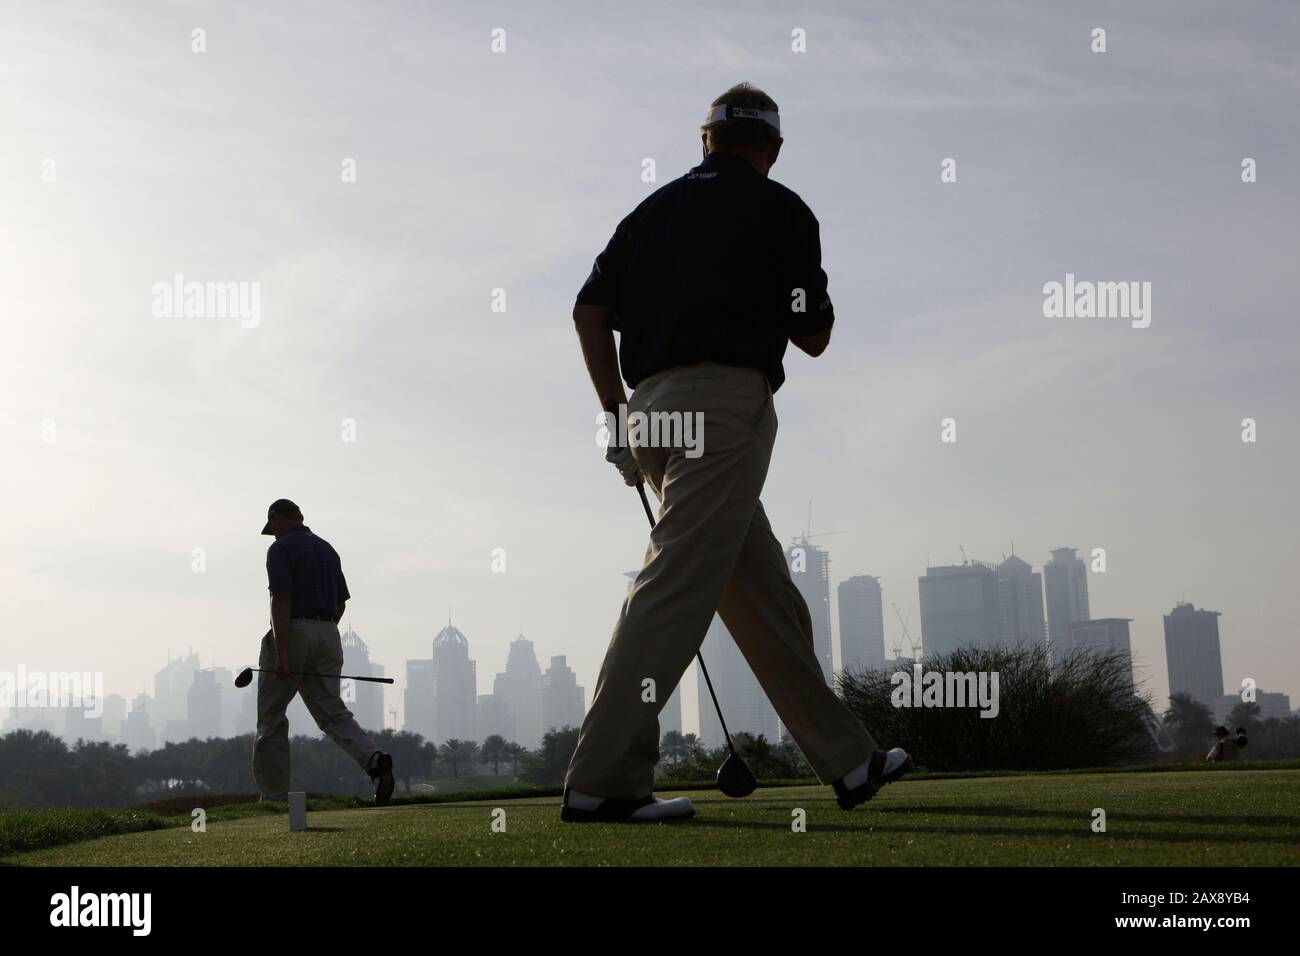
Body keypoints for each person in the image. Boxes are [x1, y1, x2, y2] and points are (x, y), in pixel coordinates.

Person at [562, 83, 910, 823]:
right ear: (773, 149)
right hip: (723, 410)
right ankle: (603, 780)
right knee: (676, 584)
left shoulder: (649, 213)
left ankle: (849, 762)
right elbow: (813, 336)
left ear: (704, 138)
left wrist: (615, 418)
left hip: (652, 414)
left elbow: (588, 309)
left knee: (760, 591)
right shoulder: (783, 210)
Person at [253, 498, 395, 805]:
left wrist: (282, 652)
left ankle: (275, 796)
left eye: (272, 527)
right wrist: (322, 635)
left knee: (271, 717)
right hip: (330, 632)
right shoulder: (328, 549)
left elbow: (281, 598)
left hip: (294, 631)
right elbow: (342, 602)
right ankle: (374, 760)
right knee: (332, 712)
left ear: (277, 519)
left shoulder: (279, 549)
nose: (273, 533)